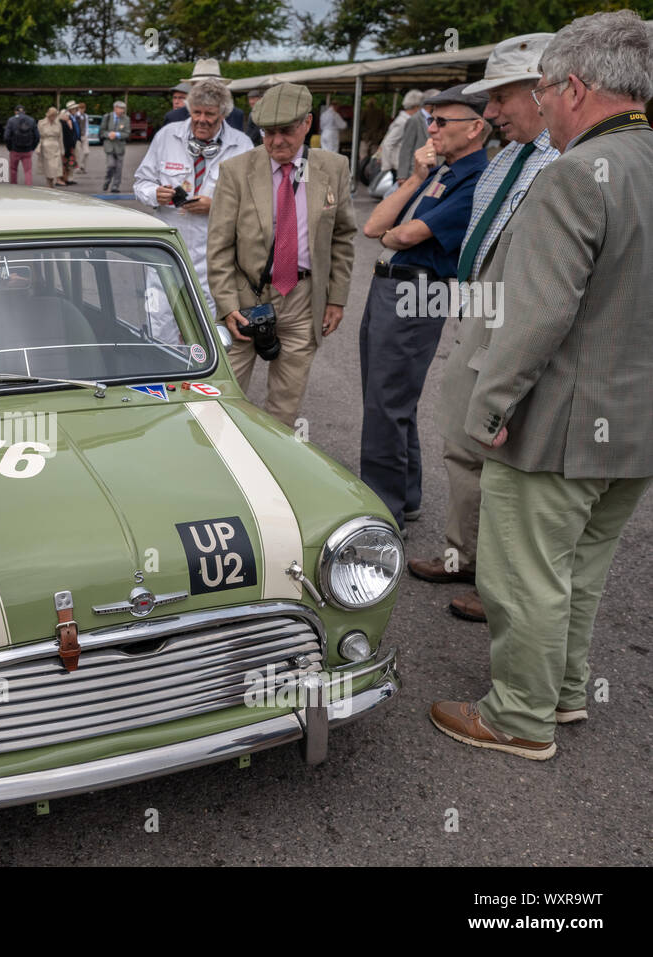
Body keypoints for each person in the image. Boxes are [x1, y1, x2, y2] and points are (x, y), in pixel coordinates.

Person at [430, 10, 653, 761]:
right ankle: (563, 693)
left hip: (559, 423)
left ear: (577, 88)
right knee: (579, 572)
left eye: (548, 92)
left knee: (523, 573)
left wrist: (489, 408)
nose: (544, 108)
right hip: (635, 426)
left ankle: (519, 716)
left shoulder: (571, 176)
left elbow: (536, 315)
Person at [410, 33, 559, 623]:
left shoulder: (563, 162)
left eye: (501, 97)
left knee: (499, 454)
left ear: (544, 89)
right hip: (480, 313)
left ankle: (495, 582)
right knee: (460, 440)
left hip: (512, 323)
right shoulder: (506, 160)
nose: (491, 112)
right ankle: (463, 554)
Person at [358, 85, 490, 535]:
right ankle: (405, 497)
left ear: (475, 128)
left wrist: (395, 234)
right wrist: (414, 179)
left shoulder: (475, 178)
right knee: (391, 401)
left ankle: (383, 510)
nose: (430, 128)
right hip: (391, 288)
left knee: (385, 404)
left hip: (416, 292)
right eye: (430, 120)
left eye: (440, 121)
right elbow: (376, 226)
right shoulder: (441, 172)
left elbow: (400, 235)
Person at [208, 83, 356, 427]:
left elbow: (344, 236)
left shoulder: (333, 168)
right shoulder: (236, 171)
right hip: (246, 300)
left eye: (286, 131)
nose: (276, 141)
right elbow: (218, 247)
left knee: (285, 408)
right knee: (223, 400)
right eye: (268, 133)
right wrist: (228, 305)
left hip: (304, 299)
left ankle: (272, 470)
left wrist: (337, 298)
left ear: (307, 123)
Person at [134, 76, 253, 337]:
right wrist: (156, 193)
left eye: (209, 114)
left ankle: (200, 377)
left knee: (205, 330)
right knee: (160, 324)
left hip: (214, 257)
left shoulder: (242, 145)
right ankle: (165, 374)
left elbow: (255, 203)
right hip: (166, 249)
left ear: (223, 114)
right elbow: (140, 182)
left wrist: (217, 205)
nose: (201, 119)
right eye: (196, 112)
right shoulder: (167, 136)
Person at [397, 88, 440, 180]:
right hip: (415, 172)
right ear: (430, 104)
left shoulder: (436, 119)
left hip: (432, 171)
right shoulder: (414, 120)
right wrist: (402, 176)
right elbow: (406, 148)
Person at [379, 90, 423, 176]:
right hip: (396, 169)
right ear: (416, 106)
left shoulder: (405, 120)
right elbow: (387, 143)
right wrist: (387, 170)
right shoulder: (403, 122)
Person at [3, 104, 38, 185]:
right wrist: (32, 147)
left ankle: (14, 187)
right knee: (28, 171)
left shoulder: (11, 120)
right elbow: (37, 136)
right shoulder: (31, 120)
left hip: (15, 150)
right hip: (27, 150)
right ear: (24, 112)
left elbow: (6, 137)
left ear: (15, 112)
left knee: (13, 170)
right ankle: (28, 187)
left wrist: (10, 148)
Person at [100, 100, 130, 191]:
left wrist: (117, 134)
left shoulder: (126, 119)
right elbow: (102, 132)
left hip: (120, 147)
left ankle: (115, 186)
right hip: (109, 146)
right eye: (120, 108)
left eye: (123, 109)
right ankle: (107, 181)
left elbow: (127, 133)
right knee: (111, 165)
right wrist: (109, 134)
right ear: (115, 108)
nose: (122, 111)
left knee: (119, 168)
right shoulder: (107, 117)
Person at [36, 105, 64, 187]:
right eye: (52, 115)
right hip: (46, 147)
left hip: (56, 146)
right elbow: (39, 137)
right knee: (48, 168)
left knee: (55, 168)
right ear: (48, 115)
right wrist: (38, 147)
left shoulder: (58, 124)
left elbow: (60, 137)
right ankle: (50, 183)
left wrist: (62, 150)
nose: (53, 117)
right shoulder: (41, 123)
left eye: (55, 115)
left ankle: (51, 183)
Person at [59, 107, 77, 183]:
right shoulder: (61, 124)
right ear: (62, 116)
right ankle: (62, 179)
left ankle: (66, 178)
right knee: (64, 164)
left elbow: (72, 134)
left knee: (68, 165)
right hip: (65, 147)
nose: (68, 117)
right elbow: (66, 137)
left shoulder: (67, 123)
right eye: (66, 116)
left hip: (69, 147)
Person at [75, 102, 90, 172]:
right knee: (77, 153)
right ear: (78, 108)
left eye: (83, 108)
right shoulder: (75, 115)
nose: (82, 110)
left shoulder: (86, 116)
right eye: (80, 108)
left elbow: (86, 125)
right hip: (77, 137)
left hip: (84, 136)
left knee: (86, 152)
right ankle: (78, 167)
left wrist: (86, 134)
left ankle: (82, 166)